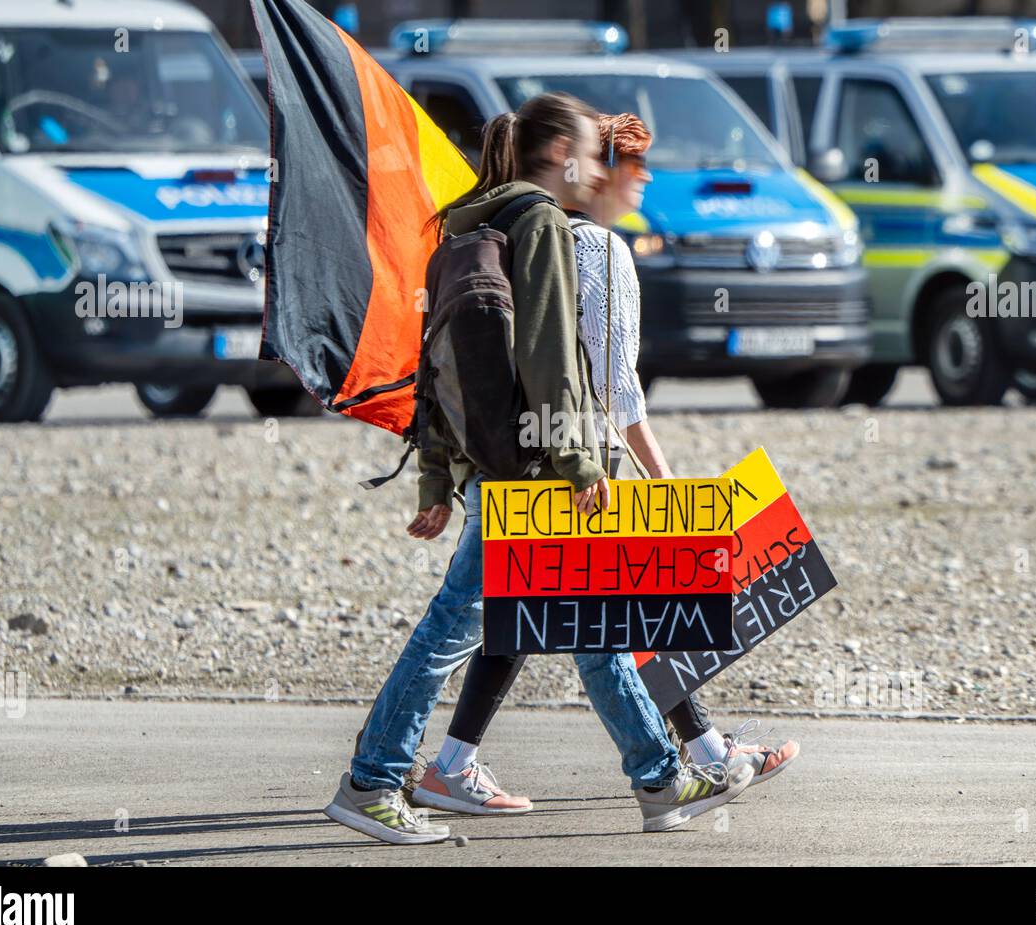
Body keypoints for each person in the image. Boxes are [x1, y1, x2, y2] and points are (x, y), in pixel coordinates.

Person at [323, 93, 753, 845]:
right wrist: (584, 467)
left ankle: (659, 779)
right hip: (538, 472)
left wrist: (435, 476)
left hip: (502, 468)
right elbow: (551, 357)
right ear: (560, 156)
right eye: (591, 153)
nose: (600, 169)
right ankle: (372, 779)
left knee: (589, 624)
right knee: (453, 629)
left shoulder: (474, 222)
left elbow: (440, 370)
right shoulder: (543, 225)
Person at [412, 112, 800, 818]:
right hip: (580, 463)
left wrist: (439, 474)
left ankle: (458, 763)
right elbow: (617, 386)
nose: (644, 178)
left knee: (551, 614)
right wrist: (665, 480)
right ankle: (679, 770)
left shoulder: (519, 235)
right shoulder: (599, 251)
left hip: (520, 456)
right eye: (632, 165)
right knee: (597, 616)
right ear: (592, 168)